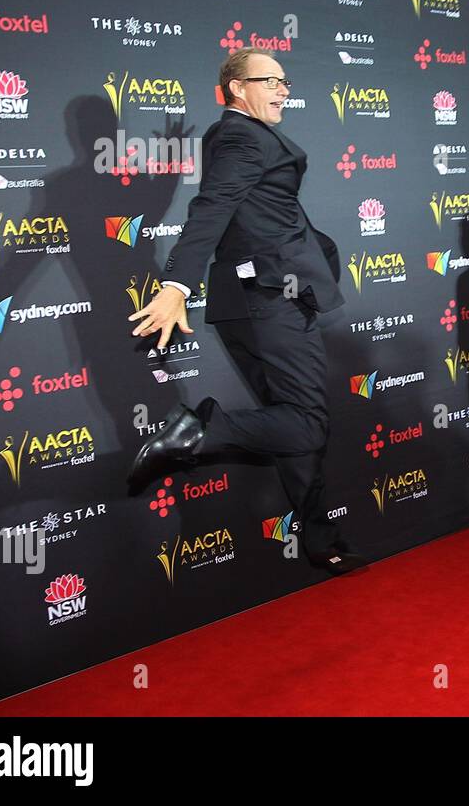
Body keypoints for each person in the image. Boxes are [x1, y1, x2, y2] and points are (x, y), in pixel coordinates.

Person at [125, 46, 362, 574]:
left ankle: (320, 537)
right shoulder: (241, 136)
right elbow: (211, 209)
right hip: (270, 300)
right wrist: (176, 286)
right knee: (307, 424)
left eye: (286, 82)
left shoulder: (236, 137)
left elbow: (249, 208)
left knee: (289, 420)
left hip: (250, 301)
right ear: (237, 87)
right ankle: (196, 434)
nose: (284, 90)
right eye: (270, 81)